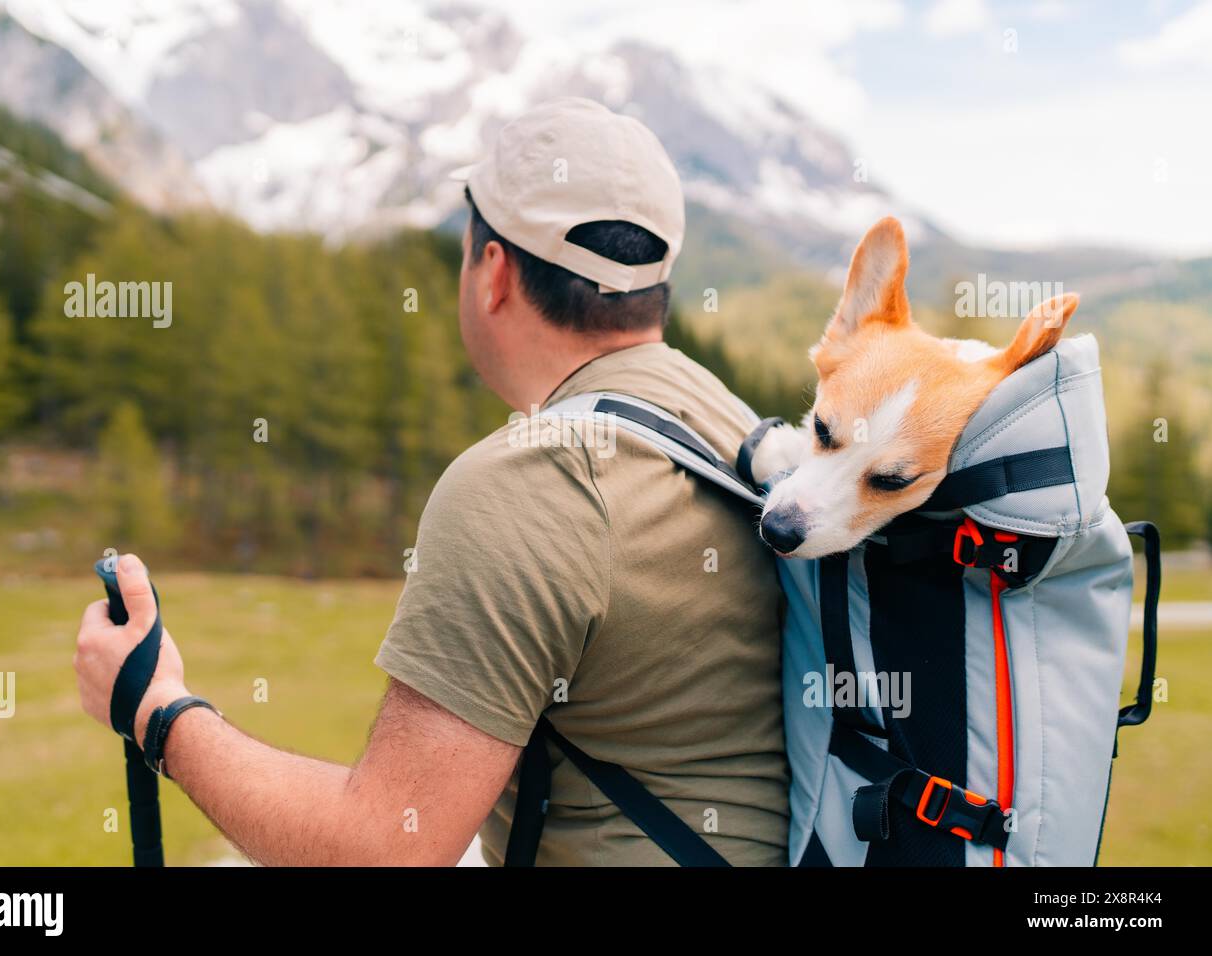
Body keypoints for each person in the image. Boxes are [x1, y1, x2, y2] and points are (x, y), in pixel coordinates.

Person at [73, 97, 788, 866]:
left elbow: (383, 849)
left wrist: (155, 709)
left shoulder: (534, 479)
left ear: (492, 271)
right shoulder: (741, 433)